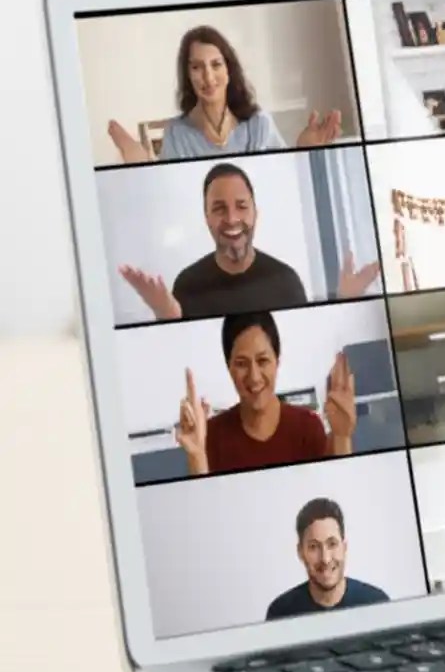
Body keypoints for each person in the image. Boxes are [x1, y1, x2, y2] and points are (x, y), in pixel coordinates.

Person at [116, 162, 381, 322]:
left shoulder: (286, 282)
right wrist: (167, 319)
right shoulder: (187, 285)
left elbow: (309, 344)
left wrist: (343, 303)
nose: (232, 218)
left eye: (241, 206)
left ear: (255, 212)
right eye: (219, 208)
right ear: (207, 218)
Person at [106, 25, 344, 164]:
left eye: (216, 65)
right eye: (197, 67)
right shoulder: (176, 134)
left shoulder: (258, 123)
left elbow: (279, 178)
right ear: (187, 75)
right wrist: (142, 169)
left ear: (229, 70)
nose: (208, 77)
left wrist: (301, 153)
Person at [175, 312, 358, 475]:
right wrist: (196, 454)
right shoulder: (211, 436)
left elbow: (334, 488)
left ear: (277, 362)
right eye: (241, 364)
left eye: (262, 361)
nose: (254, 377)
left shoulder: (307, 428)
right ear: (229, 368)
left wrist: (342, 436)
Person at [265, 498, 390, 620]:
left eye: (332, 544)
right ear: (300, 552)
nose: (325, 558)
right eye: (314, 547)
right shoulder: (281, 614)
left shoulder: (377, 605)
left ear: (344, 547)